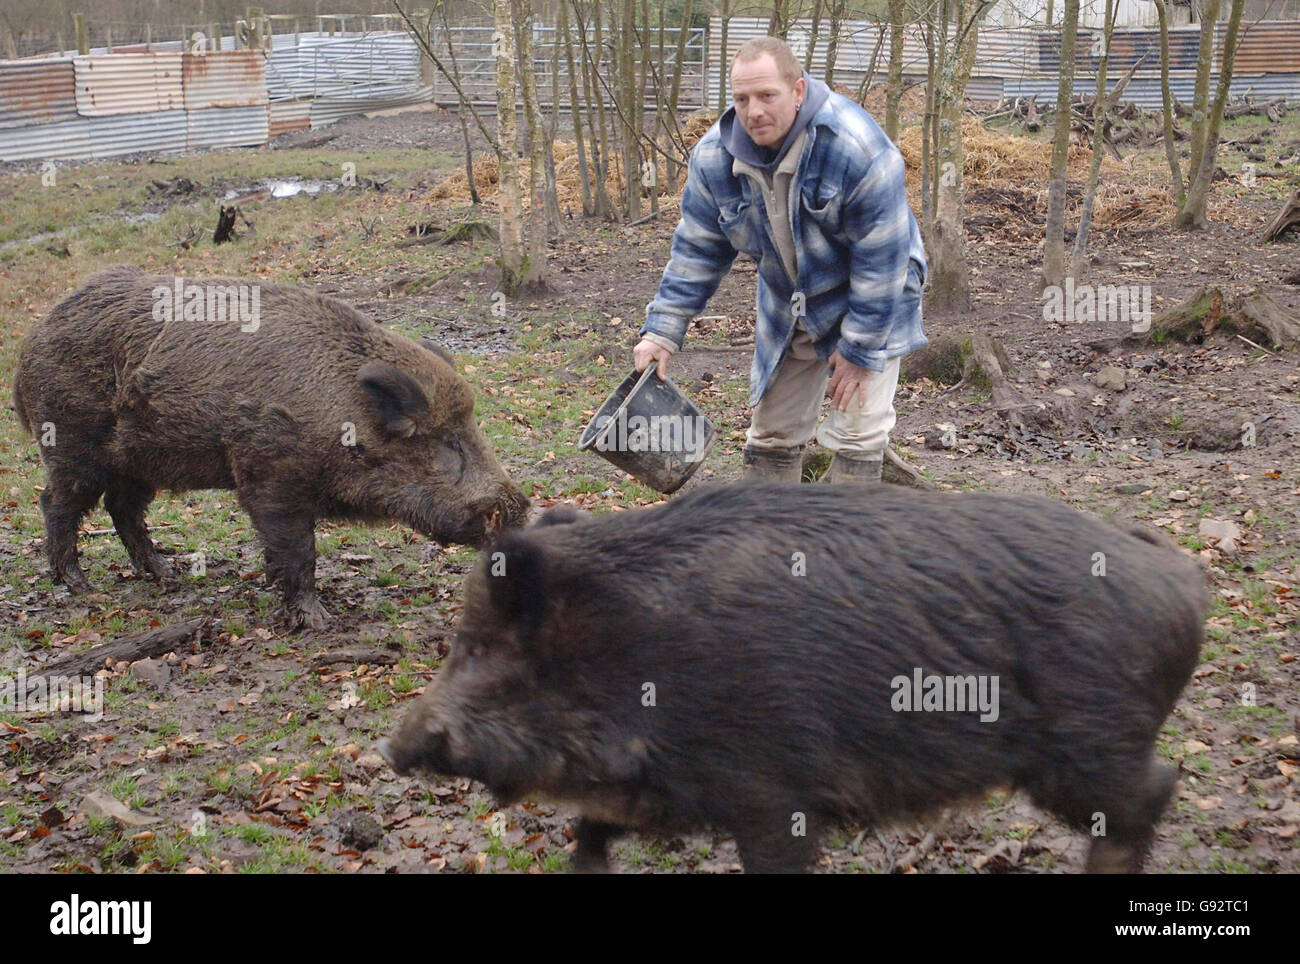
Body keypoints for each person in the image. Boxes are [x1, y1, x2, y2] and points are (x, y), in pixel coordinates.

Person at [634, 36, 928, 483]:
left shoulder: (857, 149)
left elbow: (882, 259)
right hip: (790, 306)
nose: (754, 111)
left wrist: (859, 349)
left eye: (767, 95)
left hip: (873, 302)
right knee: (771, 438)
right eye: (742, 99)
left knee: (857, 436)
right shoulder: (714, 159)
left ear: (798, 91)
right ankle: (770, 547)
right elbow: (697, 250)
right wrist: (662, 331)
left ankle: (847, 545)